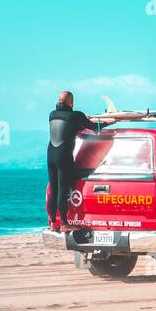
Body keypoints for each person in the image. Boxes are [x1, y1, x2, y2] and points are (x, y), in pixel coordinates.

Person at [47, 90, 91, 231]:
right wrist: (108, 123)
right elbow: (92, 127)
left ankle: (53, 222)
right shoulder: (76, 116)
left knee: (54, 189)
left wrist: (82, 121)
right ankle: (65, 224)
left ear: (58, 100)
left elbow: (70, 123)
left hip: (50, 154)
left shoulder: (52, 115)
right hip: (63, 156)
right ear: (71, 102)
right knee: (62, 190)